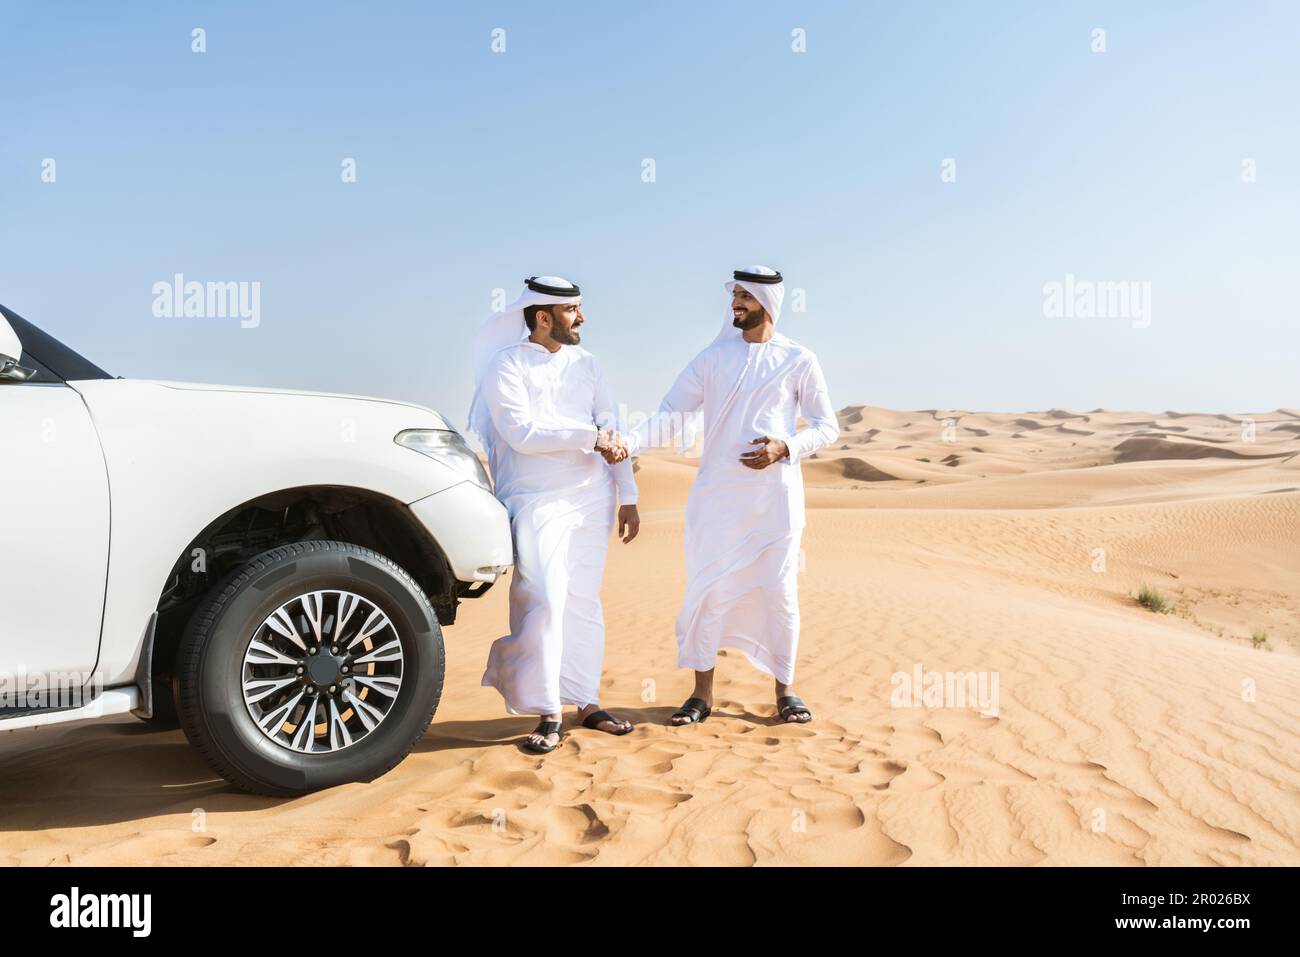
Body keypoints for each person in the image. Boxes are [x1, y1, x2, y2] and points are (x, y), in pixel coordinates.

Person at [625, 266, 838, 725]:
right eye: (734, 295)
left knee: (780, 592)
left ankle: (786, 690)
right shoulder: (711, 358)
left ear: (767, 301)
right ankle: (701, 696)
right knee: (709, 592)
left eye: (745, 295)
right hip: (717, 501)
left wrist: (787, 447)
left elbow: (827, 427)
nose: (735, 303)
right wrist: (627, 444)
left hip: (776, 501)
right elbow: (669, 415)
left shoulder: (798, 359)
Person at [467, 276, 640, 753]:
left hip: (592, 496)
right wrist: (591, 437)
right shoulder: (506, 366)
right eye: (572, 310)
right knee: (543, 597)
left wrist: (628, 493)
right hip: (533, 497)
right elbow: (521, 433)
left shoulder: (589, 365)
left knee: (583, 602)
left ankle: (586, 701)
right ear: (543, 317)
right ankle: (547, 711)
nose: (581, 318)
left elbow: (614, 430)